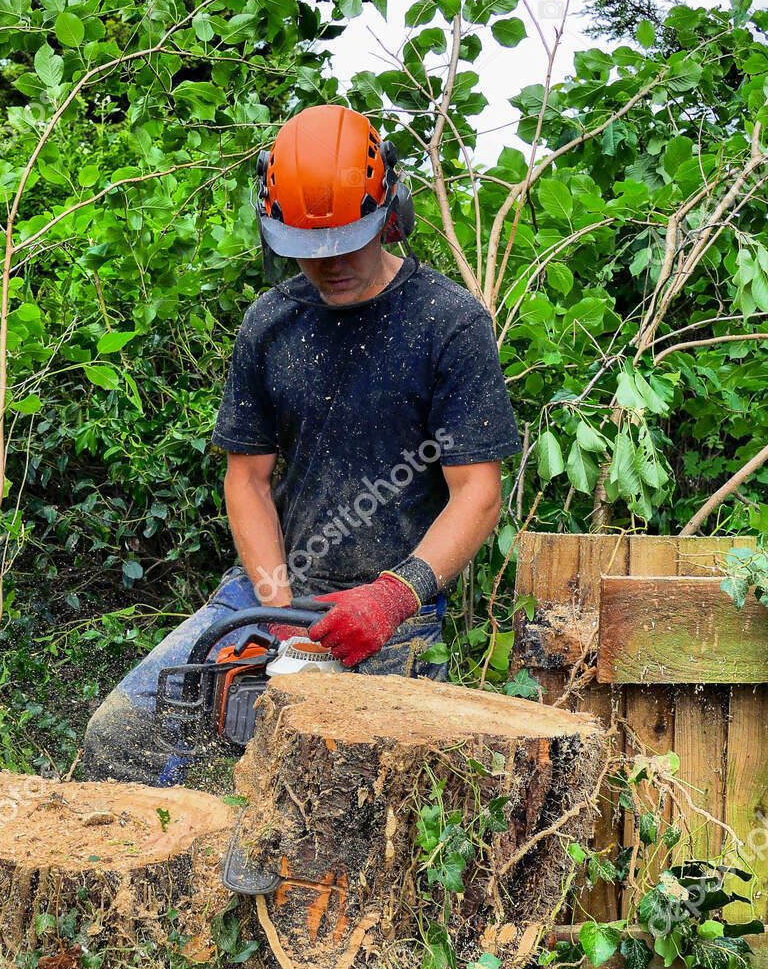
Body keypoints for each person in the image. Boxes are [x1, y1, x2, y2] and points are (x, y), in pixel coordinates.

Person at [83, 102, 522, 786]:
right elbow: (247, 478)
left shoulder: (448, 322)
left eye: (349, 241)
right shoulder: (272, 322)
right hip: (269, 595)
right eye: (310, 250)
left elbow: (477, 493)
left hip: (390, 610)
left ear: (391, 212)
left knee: (358, 797)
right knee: (121, 738)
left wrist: (391, 596)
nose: (331, 264)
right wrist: (276, 601)